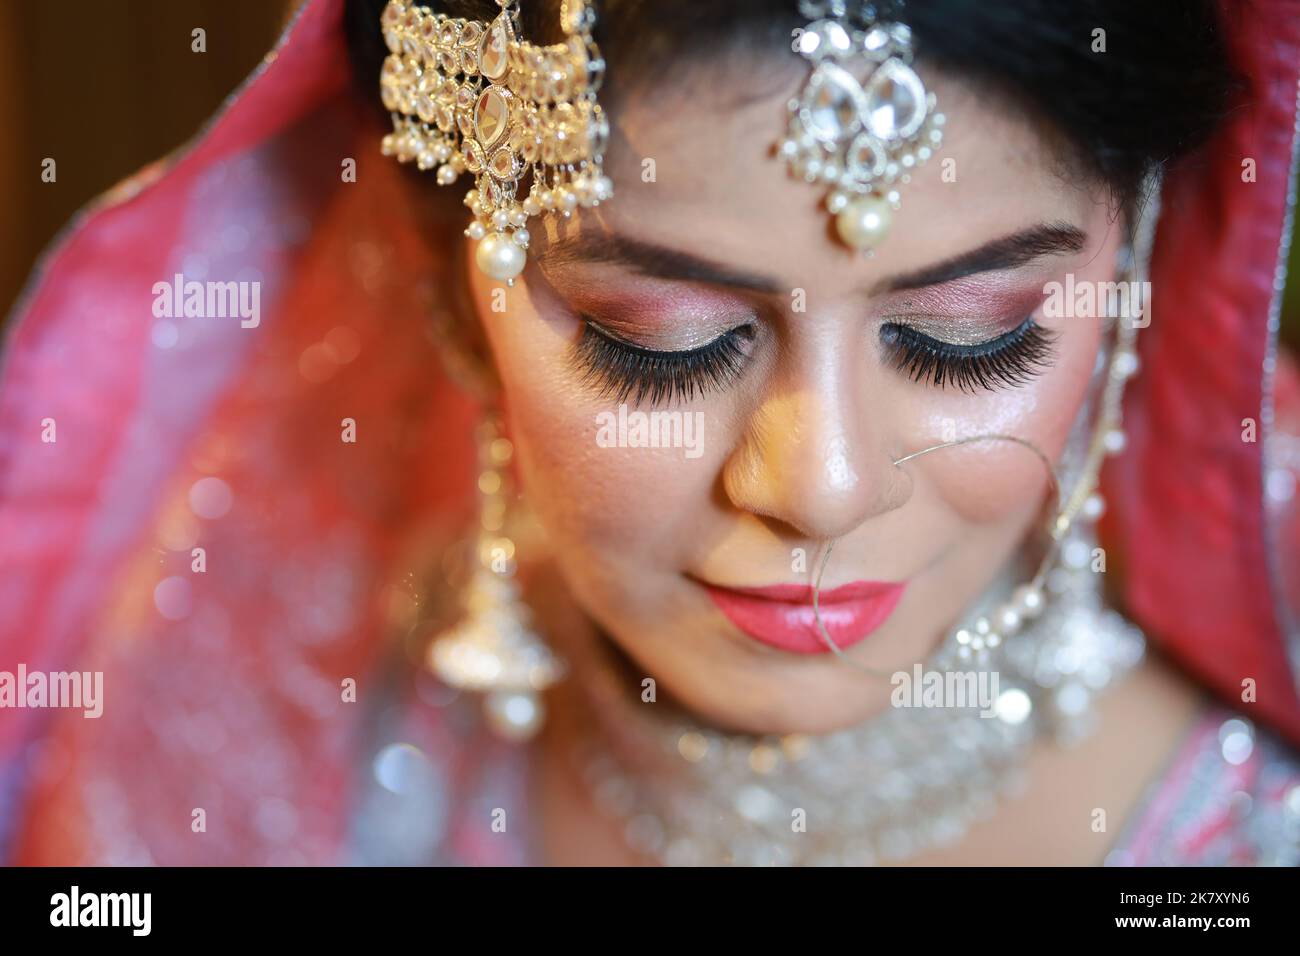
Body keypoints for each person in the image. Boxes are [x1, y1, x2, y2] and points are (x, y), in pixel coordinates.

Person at [2, 0, 1299, 866]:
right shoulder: (270, 740)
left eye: (972, 336)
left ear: (1142, 263)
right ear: (443, 271)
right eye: (658, 339)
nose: (825, 488)